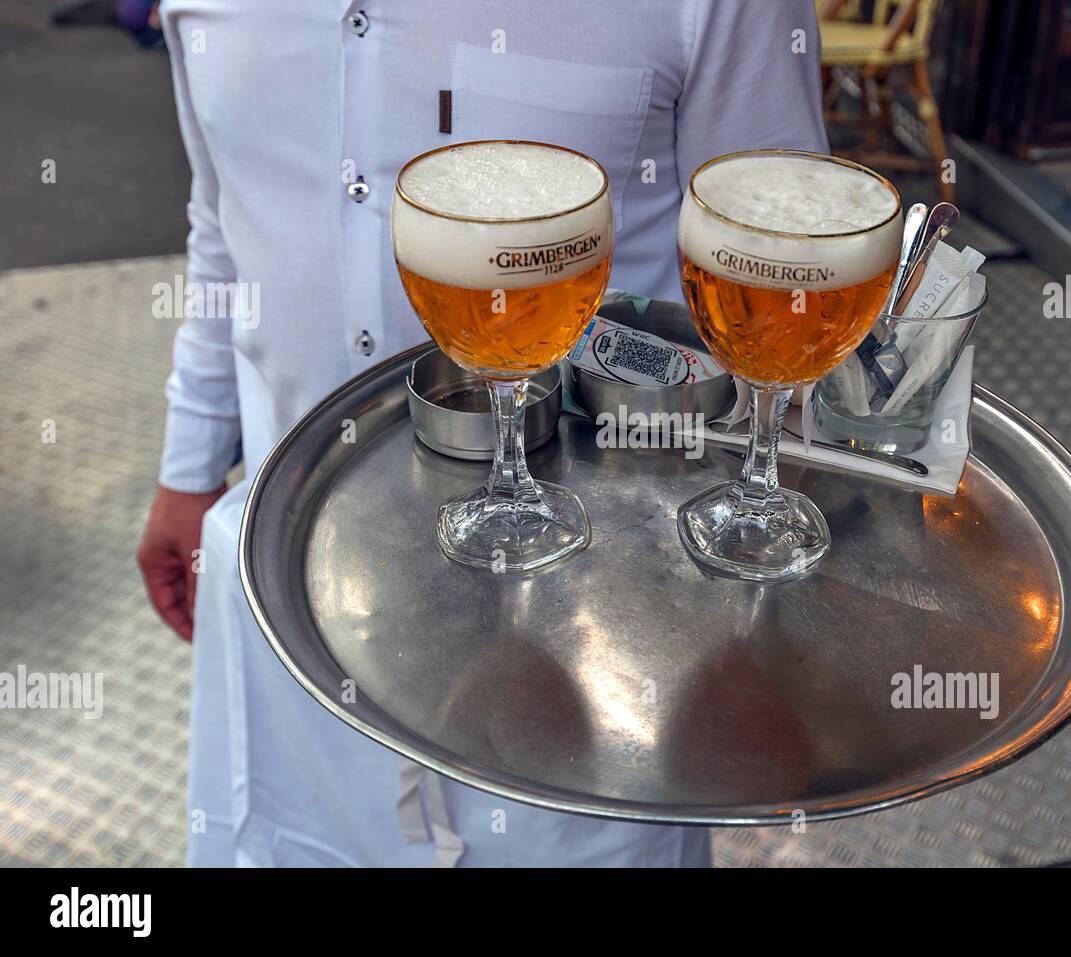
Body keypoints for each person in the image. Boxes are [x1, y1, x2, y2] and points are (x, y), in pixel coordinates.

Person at [137, 0, 829, 867]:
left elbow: (792, 264)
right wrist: (191, 460)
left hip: (600, 679)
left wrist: (769, 620)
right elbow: (222, 215)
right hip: (293, 629)